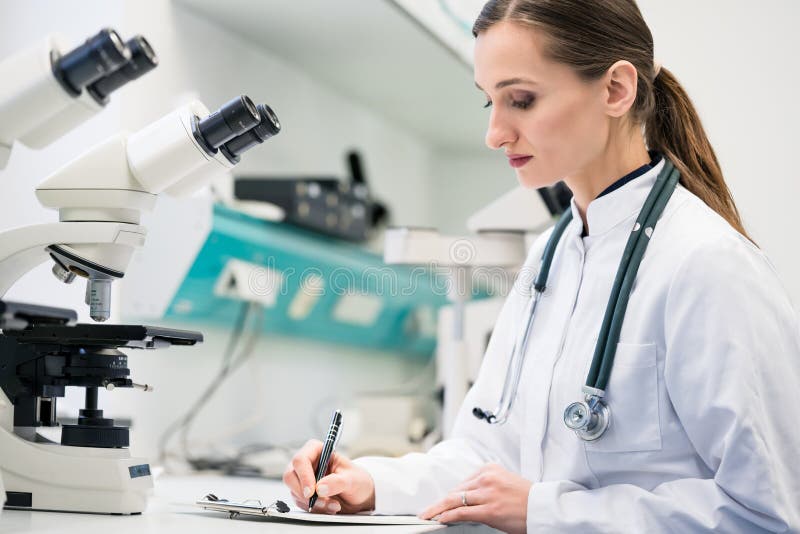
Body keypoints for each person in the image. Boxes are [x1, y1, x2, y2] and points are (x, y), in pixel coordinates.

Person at [283, 1, 800, 531]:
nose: (495, 132)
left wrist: (546, 511)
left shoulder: (708, 266)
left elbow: (766, 514)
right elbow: (489, 455)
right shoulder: (550, 258)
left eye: (521, 100)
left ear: (616, 90)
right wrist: (375, 484)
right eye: (489, 102)